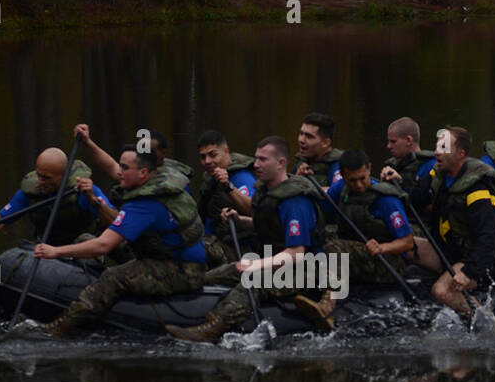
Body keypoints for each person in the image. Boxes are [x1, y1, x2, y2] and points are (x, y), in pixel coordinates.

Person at [166, 136, 325, 343]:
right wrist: (240, 220)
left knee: (253, 280)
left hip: (304, 270)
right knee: (212, 277)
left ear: (281, 163)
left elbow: (296, 252)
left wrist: (257, 265)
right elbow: (268, 228)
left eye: (262, 160)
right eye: (256, 158)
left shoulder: (295, 201)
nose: (256, 164)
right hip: (274, 260)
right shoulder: (266, 191)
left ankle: (213, 328)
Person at [33, 149, 207, 335]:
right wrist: (87, 143)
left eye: (124, 168)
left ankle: (60, 328)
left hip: (182, 270)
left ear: (143, 173)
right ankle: (86, 286)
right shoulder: (162, 182)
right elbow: (110, 167)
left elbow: (103, 245)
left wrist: (56, 252)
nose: (119, 172)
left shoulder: (144, 204)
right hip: (174, 257)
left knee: (113, 277)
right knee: (92, 240)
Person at [294, 149, 415, 331]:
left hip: (386, 262)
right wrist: (300, 181)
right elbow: (318, 212)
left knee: (335, 247)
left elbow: (407, 242)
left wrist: (383, 248)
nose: (358, 185)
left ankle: (328, 305)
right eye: (352, 180)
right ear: (342, 175)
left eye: (363, 178)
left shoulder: (386, 200)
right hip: (355, 257)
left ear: (369, 169)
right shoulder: (339, 189)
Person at [407, 126, 495, 319]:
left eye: (443, 147)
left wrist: (468, 272)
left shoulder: (478, 191)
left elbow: (489, 240)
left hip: (475, 261)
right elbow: (413, 201)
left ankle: (483, 321)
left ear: (461, 154)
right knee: (404, 245)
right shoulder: (439, 177)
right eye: (436, 146)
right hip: (448, 252)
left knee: (441, 291)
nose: (436, 152)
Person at [0, 147, 111, 245]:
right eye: (39, 176)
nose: (41, 182)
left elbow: (116, 222)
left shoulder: (83, 191)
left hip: (82, 248)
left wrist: (93, 200)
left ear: (64, 175)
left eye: (47, 178)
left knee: (87, 240)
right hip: (49, 249)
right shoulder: (31, 192)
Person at [196, 129, 257, 267]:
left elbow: (254, 209)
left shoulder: (241, 177)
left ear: (226, 151)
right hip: (213, 240)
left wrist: (228, 186)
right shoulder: (210, 179)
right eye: (203, 157)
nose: (207, 161)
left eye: (213, 155)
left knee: (194, 251)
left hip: (240, 249)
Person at [379, 117, 437, 193]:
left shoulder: (430, 166)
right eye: (389, 141)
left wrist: (400, 183)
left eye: (393, 141)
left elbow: (422, 200)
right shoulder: (391, 165)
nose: (388, 146)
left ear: (408, 140)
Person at [293, 112, 344, 187]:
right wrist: (296, 179)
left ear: (326, 143)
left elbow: (336, 193)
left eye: (309, 136)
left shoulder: (338, 165)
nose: (301, 140)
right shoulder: (301, 161)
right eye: (301, 133)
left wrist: (307, 186)